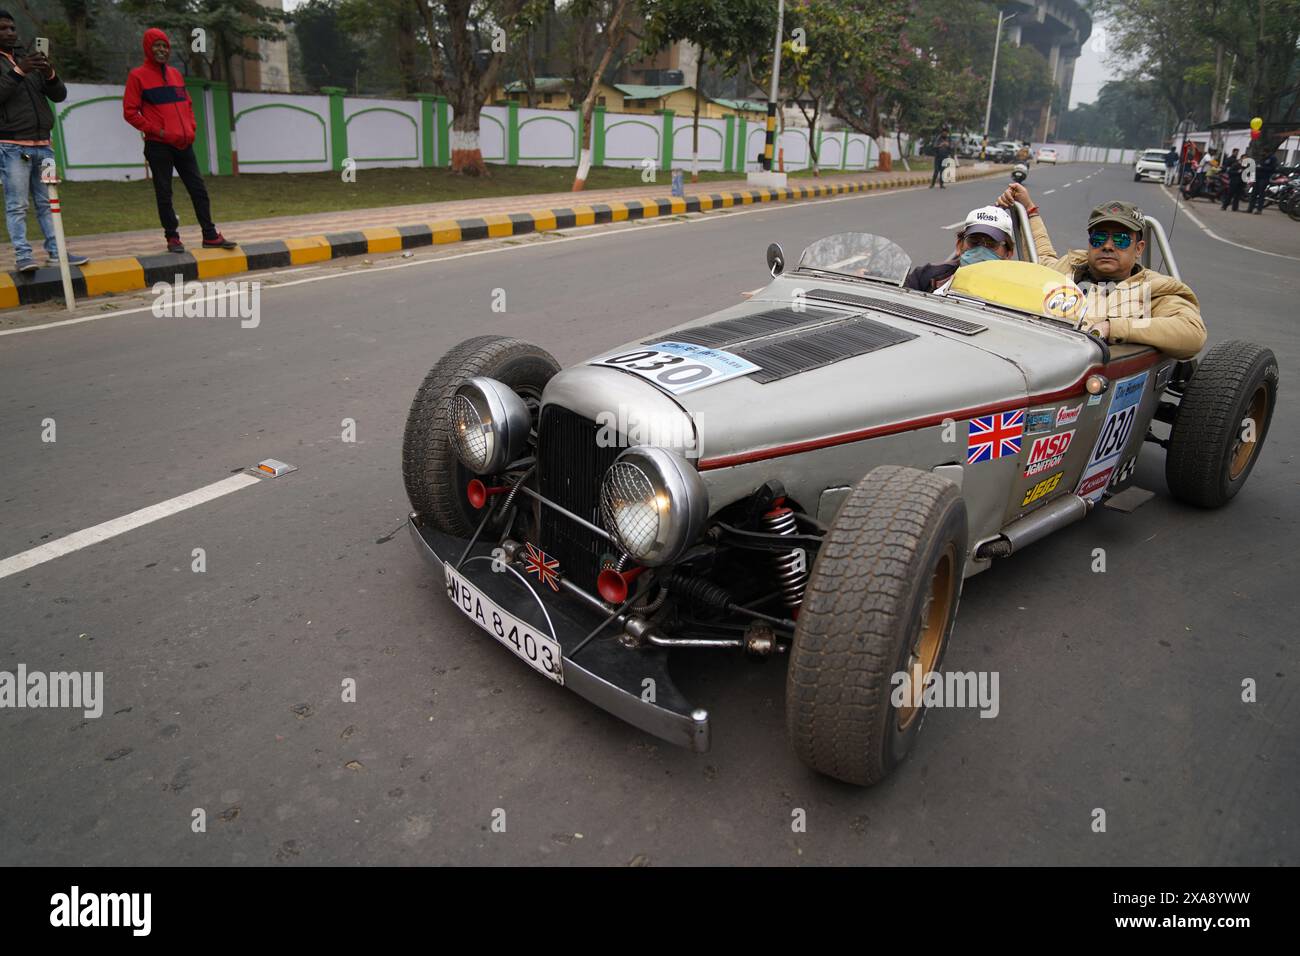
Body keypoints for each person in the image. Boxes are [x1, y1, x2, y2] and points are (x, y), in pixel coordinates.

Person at [996, 182, 1206, 360]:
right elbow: (1041, 254)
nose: (1107, 246)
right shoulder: (1068, 268)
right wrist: (1029, 209)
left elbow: (1192, 332)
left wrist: (1112, 328)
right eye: (1099, 238)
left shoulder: (1155, 289)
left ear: (1139, 248)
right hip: (1038, 358)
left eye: (1121, 240)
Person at [122, 27, 235, 253]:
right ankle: (172, 237)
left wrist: (191, 128)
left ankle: (209, 234)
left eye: (165, 46)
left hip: (184, 144)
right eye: (157, 46)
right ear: (148, 48)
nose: (162, 50)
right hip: (159, 146)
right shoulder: (137, 76)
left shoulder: (175, 74)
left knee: (198, 189)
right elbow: (130, 112)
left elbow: (188, 104)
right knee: (164, 193)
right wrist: (159, 132)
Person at [0, 11, 89, 272]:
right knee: (17, 204)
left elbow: (59, 95)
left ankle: (56, 251)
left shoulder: (27, 59)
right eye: (3, 28)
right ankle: (23, 256)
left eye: (12, 28)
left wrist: (49, 73)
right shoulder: (19, 65)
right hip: (14, 147)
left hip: (44, 146)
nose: (10, 33)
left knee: (48, 202)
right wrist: (18, 71)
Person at [904, 205, 1016, 292]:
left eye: (991, 244)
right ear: (959, 245)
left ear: (1008, 254)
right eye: (974, 242)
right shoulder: (927, 276)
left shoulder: (1017, 291)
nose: (981, 251)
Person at [1249, 148, 1279, 214]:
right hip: (1257, 177)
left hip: (1264, 178)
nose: (1261, 153)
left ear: (1266, 152)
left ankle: (1259, 210)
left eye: (1263, 152)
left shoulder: (1272, 158)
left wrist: (1262, 167)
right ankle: (1250, 208)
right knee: (1253, 193)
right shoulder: (1262, 158)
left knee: (1261, 194)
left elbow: (1273, 168)